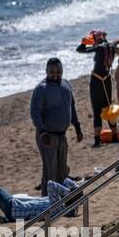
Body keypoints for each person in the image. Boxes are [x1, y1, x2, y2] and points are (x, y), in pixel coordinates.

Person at [30, 58, 82, 195]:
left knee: (62, 169)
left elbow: (72, 106)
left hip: (62, 134)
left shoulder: (66, 85)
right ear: (46, 71)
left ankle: (60, 199)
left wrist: (77, 126)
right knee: (50, 170)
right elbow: (35, 112)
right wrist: (42, 132)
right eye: (52, 71)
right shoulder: (42, 89)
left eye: (58, 71)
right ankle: (47, 203)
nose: (55, 74)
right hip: (47, 135)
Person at [75, 30, 115, 145]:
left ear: (97, 39)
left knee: (97, 111)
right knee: (108, 108)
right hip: (107, 80)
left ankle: (97, 140)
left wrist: (86, 40)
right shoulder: (110, 47)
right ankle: (115, 135)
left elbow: (80, 49)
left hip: (97, 81)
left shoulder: (99, 48)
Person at [0, 177, 79, 223]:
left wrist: (68, 193)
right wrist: (73, 191)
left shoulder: (59, 207)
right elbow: (66, 180)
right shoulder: (64, 206)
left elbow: (51, 184)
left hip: (14, 208)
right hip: (14, 208)